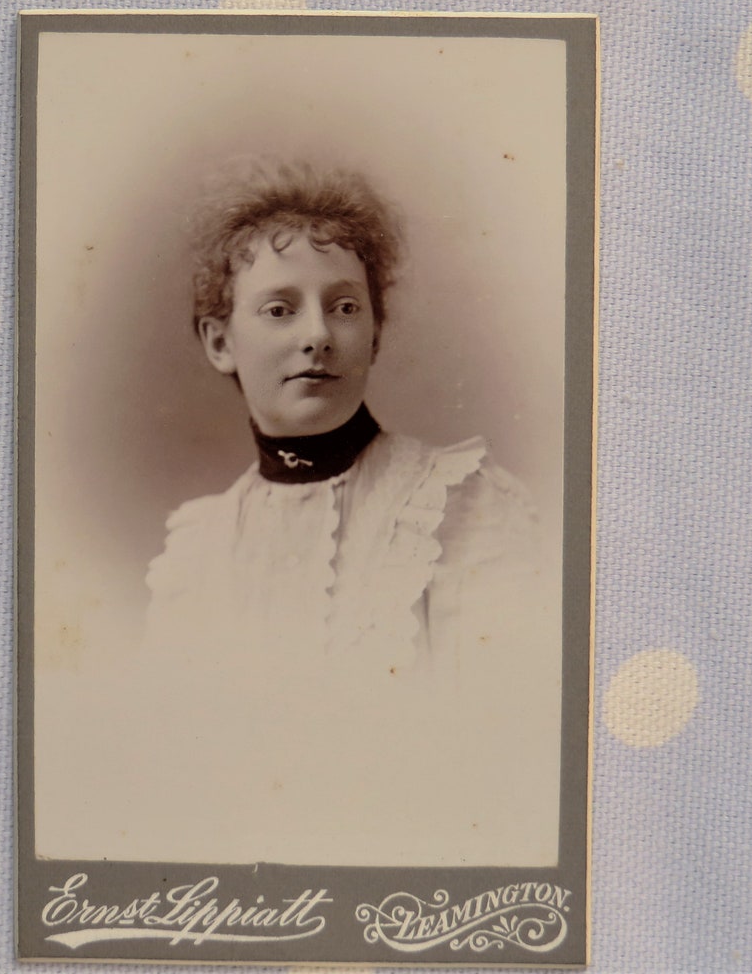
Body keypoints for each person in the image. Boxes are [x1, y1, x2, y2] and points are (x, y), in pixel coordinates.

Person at [145, 158, 544, 680]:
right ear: (221, 343)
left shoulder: (461, 506)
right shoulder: (196, 554)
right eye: (280, 310)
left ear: (375, 335)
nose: (319, 334)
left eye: (345, 307)